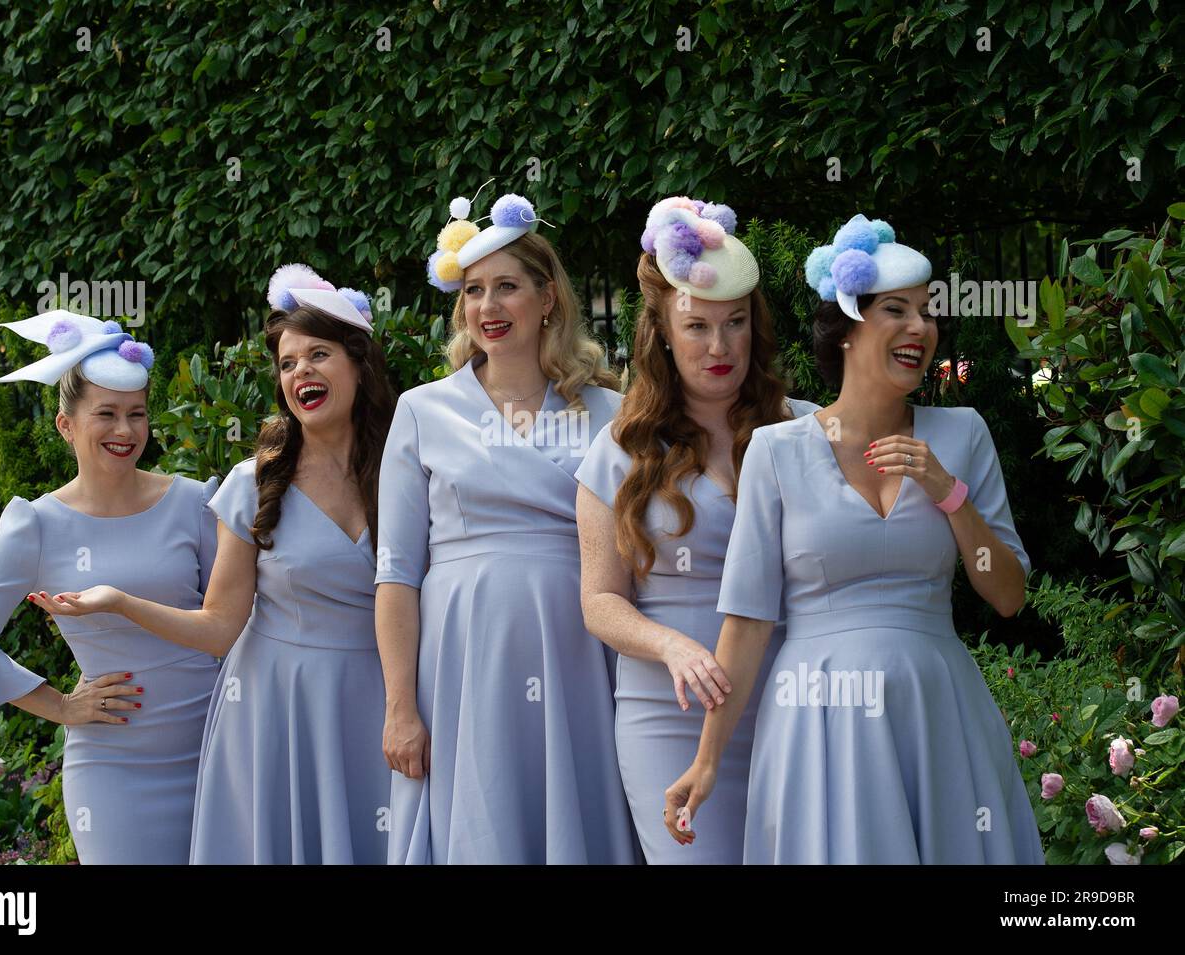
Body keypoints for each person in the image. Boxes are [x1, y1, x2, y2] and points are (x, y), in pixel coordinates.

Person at [664, 214, 1045, 863]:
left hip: (937, 710)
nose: (921, 329)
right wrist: (707, 760)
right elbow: (748, 623)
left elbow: (1007, 594)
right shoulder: (775, 452)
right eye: (896, 310)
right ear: (845, 330)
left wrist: (948, 491)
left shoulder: (963, 432)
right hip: (819, 722)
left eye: (927, 312)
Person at [34, 269, 395, 863]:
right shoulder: (254, 484)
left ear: (359, 364)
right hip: (279, 709)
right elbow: (219, 626)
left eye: (319, 355)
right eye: (287, 363)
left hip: (380, 698)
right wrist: (120, 601)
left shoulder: (406, 469)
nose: (300, 371)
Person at [376, 186, 637, 863]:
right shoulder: (421, 411)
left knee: (577, 805)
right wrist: (401, 704)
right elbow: (397, 572)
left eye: (506, 287)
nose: (487, 307)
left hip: (581, 646)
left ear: (548, 296)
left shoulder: (611, 412)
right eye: (473, 291)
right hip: (463, 654)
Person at [576, 196, 820, 863]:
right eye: (698, 327)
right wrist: (673, 646)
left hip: (792, 701)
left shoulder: (807, 429)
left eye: (735, 324)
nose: (720, 347)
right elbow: (599, 601)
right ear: (661, 333)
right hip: (668, 714)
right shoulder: (616, 449)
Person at [0, 312, 220, 864]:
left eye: (137, 415)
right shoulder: (36, 525)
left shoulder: (195, 504)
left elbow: (231, 624)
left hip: (219, 752)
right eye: (107, 415)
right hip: (114, 773)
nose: (125, 431)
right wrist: (63, 707)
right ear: (66, 425)